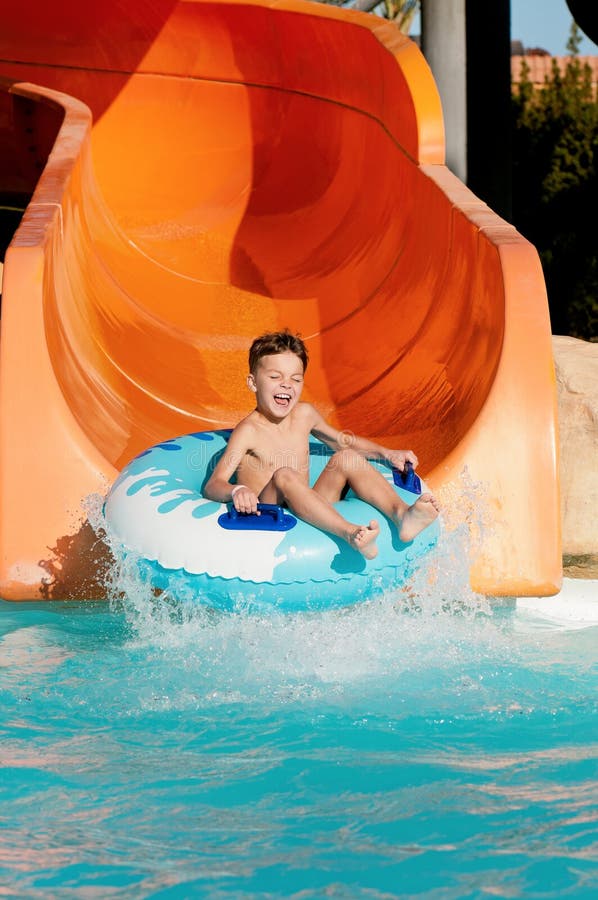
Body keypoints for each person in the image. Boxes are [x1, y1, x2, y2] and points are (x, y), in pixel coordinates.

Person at [203, 330, 439, 559]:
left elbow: (343, 441)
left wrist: (387, 454)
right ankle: (350, 532)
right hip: (268, 516)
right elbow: (213, 484)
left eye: (295, 379)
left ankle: (402, 515)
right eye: (275, 377)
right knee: (285, 475)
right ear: (253, 383)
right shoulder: (248, 431)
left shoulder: (304, 414)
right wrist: (237, 490)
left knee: (345, 457)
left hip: (308, 511)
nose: (286, 385)